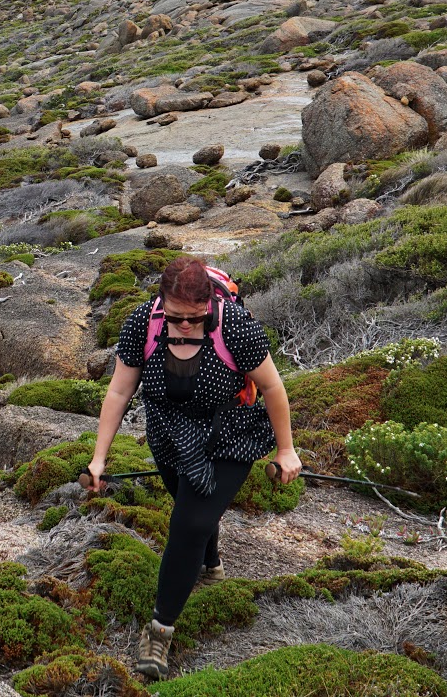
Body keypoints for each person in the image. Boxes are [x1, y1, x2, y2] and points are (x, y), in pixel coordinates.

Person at [82, 254, 300, 681]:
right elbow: (120, 391)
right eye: (177, 318)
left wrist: (286, 451)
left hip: (231, 433)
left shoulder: (234, 324)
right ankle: (211, 565)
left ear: (210, 306)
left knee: (188, 523)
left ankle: (160, 631)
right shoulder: (142, 322)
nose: (185, 326)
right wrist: (99, 458)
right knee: (189, 503)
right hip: (169, 434)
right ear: (162, 304)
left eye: (194, 319)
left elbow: (273, 387)